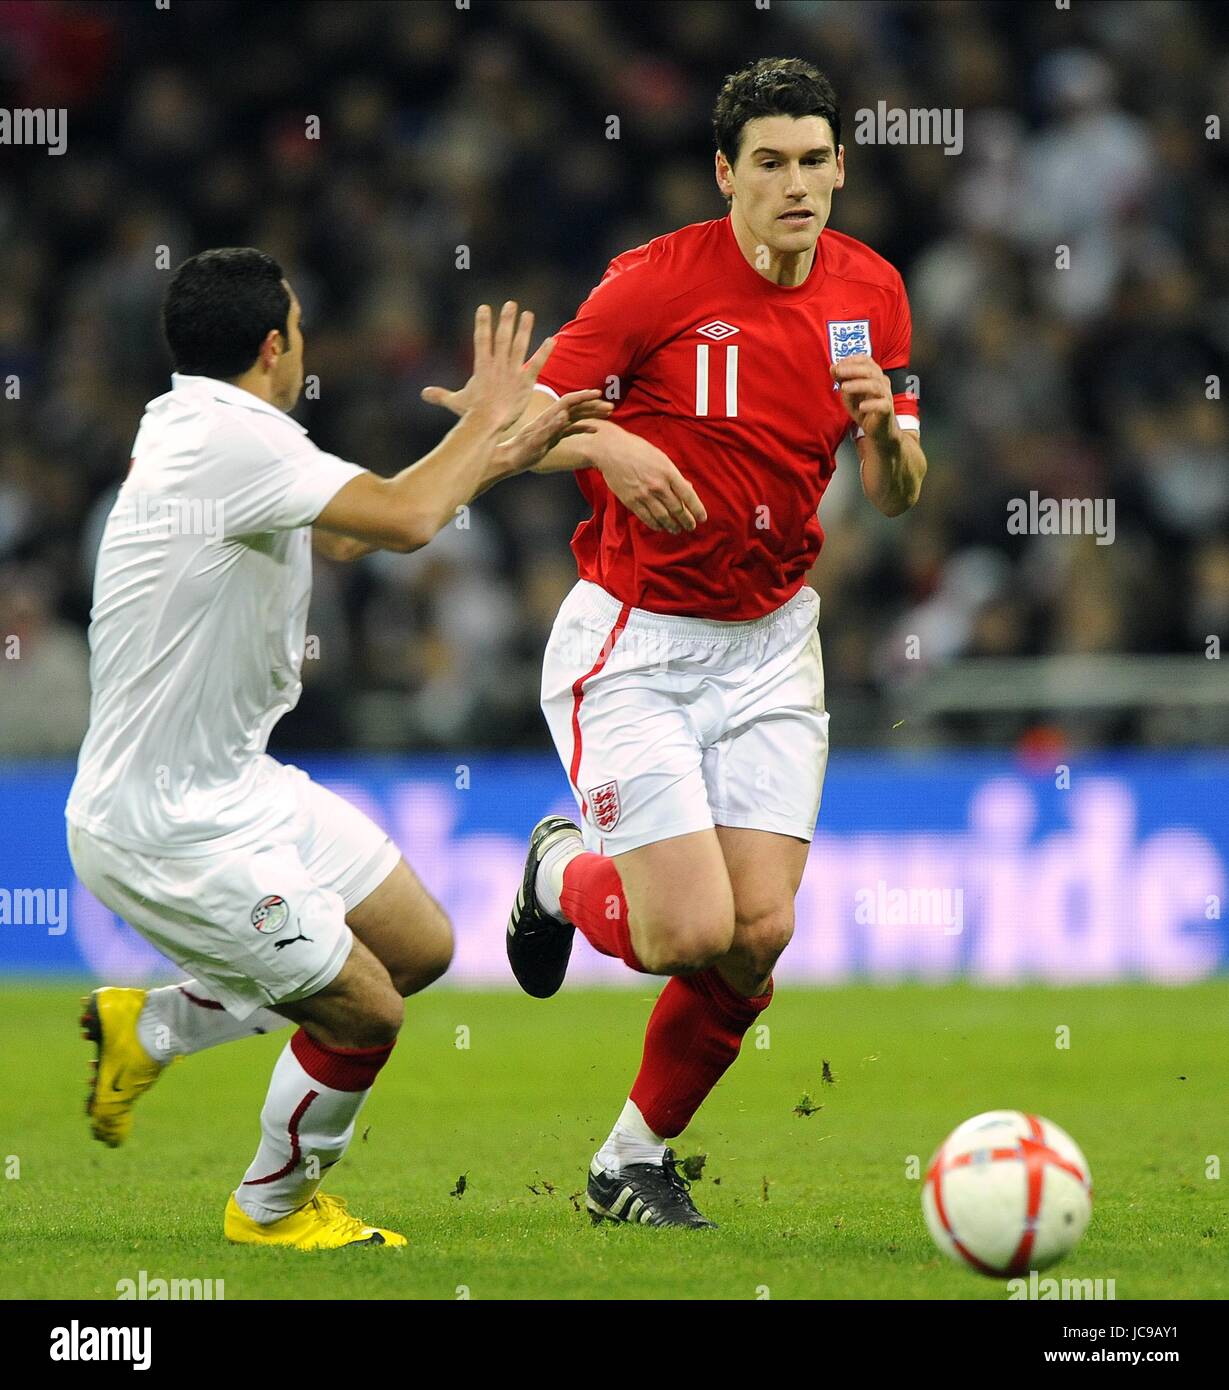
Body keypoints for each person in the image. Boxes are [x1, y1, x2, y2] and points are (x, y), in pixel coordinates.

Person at [67, 247, 608, 1249]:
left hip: (234, 783)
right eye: (301, 327)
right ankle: (269, 1209)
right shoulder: (231, 446)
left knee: (418, 947)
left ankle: (149, 1030)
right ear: (275, 345)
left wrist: (505, 442)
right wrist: (490, 421)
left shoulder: (206, 427)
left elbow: (355, 534)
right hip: (162, 822)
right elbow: (402, 520)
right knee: (364, 1011)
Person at [499, 58, 928, 1226]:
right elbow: (504, 435)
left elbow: (895, 494)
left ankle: (626, 1161)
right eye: (770, 164)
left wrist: (883, 435)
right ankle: (551, 870)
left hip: (775, 640)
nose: (796, 186)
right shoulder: (652, 284)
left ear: (840, 165)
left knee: (756, 939)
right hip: (637, 641)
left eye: (814, 162)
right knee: (681, 931)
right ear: (726, 173)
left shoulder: (872, 293)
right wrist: (605, 450)